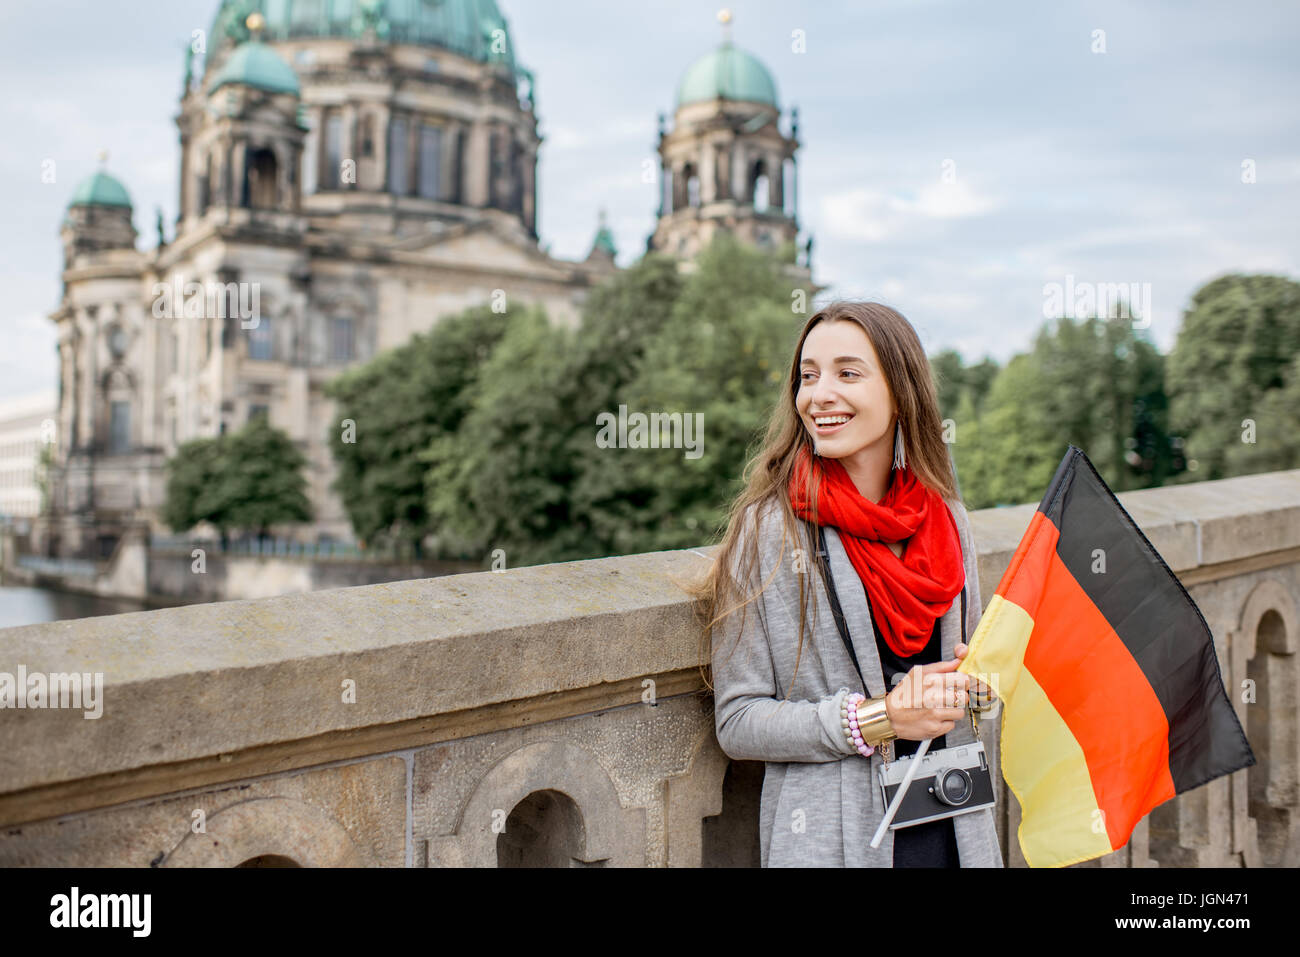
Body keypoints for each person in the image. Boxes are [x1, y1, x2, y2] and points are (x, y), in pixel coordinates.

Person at [692, 300, 1002, 867]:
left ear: (900, 391)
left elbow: (981, 691)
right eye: (808, 376)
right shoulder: (770, 529)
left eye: (847, 373)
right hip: (836, 842)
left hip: (953, 831)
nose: (818, 395)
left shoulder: (946, 518)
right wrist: (878, 717)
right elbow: (738, 722)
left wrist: (975, 688)